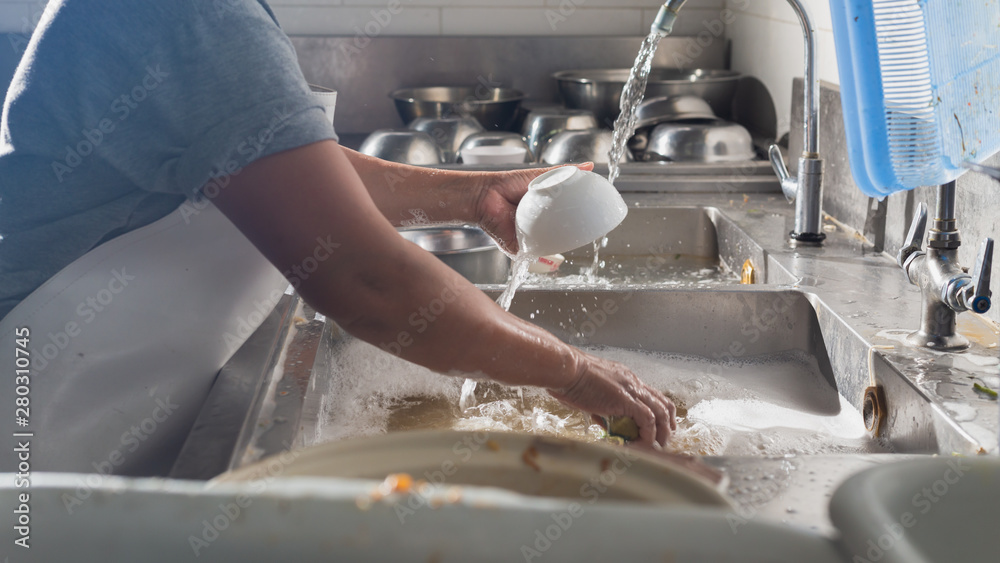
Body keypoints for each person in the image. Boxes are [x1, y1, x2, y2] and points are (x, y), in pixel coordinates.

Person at [0, 0, 675, 476]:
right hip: (39, 423)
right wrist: (576, 372)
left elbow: (272, 162)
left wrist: (469, 197)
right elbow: (370, 283)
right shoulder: (194, 17)